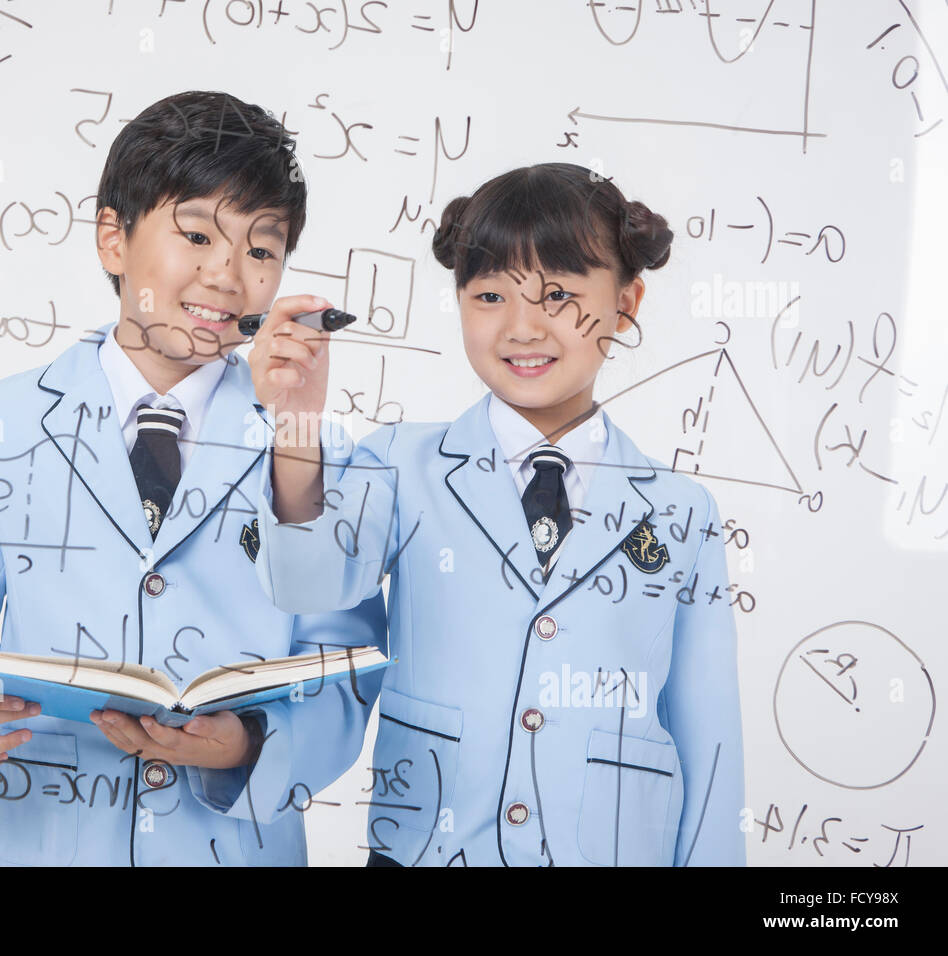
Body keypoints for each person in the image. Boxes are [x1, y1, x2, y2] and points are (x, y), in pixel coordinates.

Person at [0, 90, 387, 866]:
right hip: (49, 838)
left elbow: (346, 664)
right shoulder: (2, 420)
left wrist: (244, 745)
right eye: (195, 234)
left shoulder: (306, 443)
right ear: (113, 239)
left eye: (261, 250)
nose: (226, 276)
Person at [249, 162, 746, 866]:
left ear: (627, 302)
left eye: (559, 296)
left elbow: (709, 734)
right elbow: (308, 586)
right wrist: (297, 426)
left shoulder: (680, 511)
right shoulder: (398, 464)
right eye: (489, 295)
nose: (522, 328)